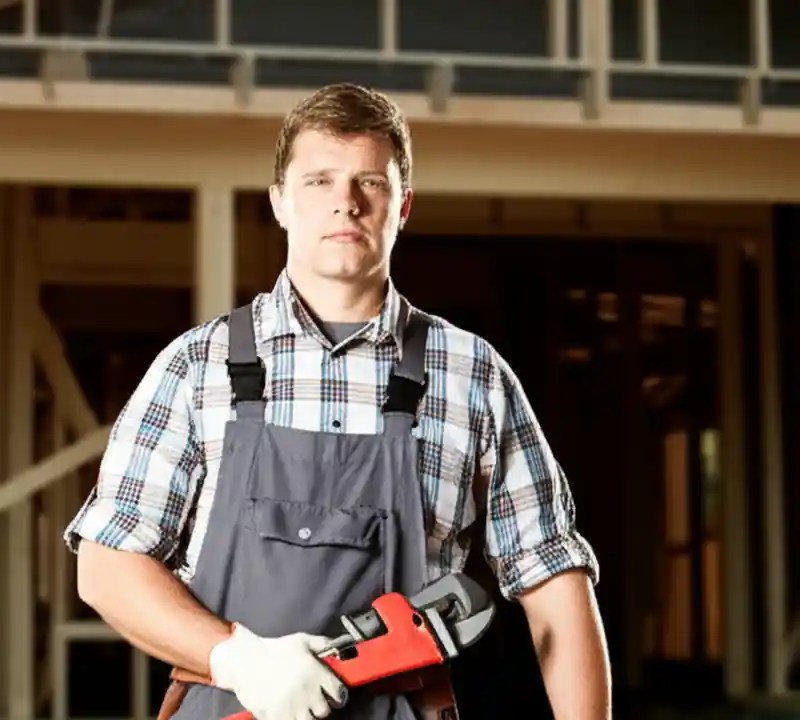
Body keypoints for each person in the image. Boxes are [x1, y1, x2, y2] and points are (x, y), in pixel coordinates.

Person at [63, 83, 611, 720]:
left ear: (401, 205)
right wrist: (239, 660)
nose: (345, 204)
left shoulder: (471, 375)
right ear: (280, 203)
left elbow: (556, 590)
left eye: (369, 183)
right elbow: (106, 564)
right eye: (319, 180)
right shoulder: (197, 366)